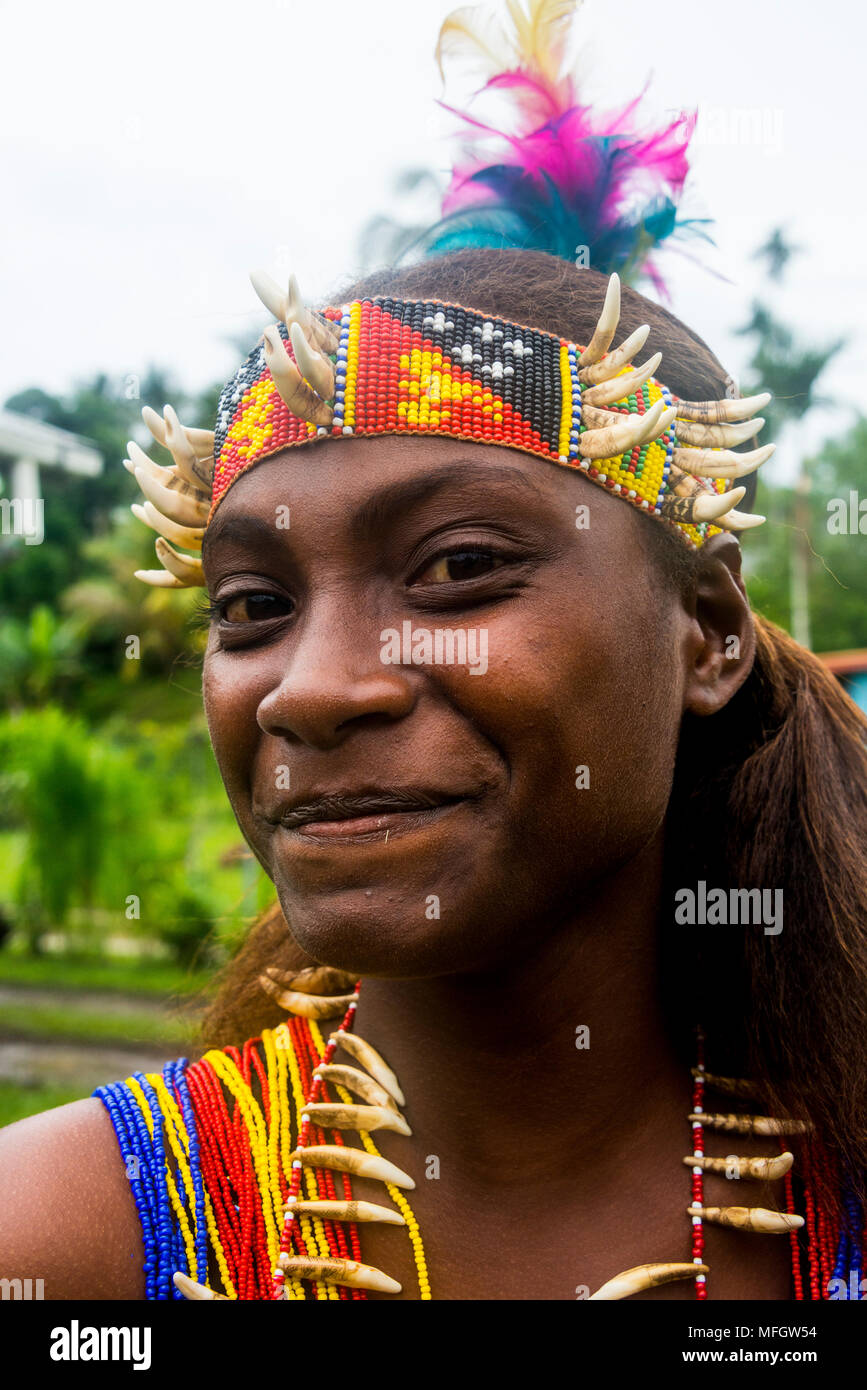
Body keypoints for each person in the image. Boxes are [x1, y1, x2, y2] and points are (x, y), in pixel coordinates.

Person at [2, 1, 866, 1303]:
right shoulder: (63, 1248)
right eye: (250, 606)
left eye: (461, 567)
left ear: (709, 634)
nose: (314, 687)